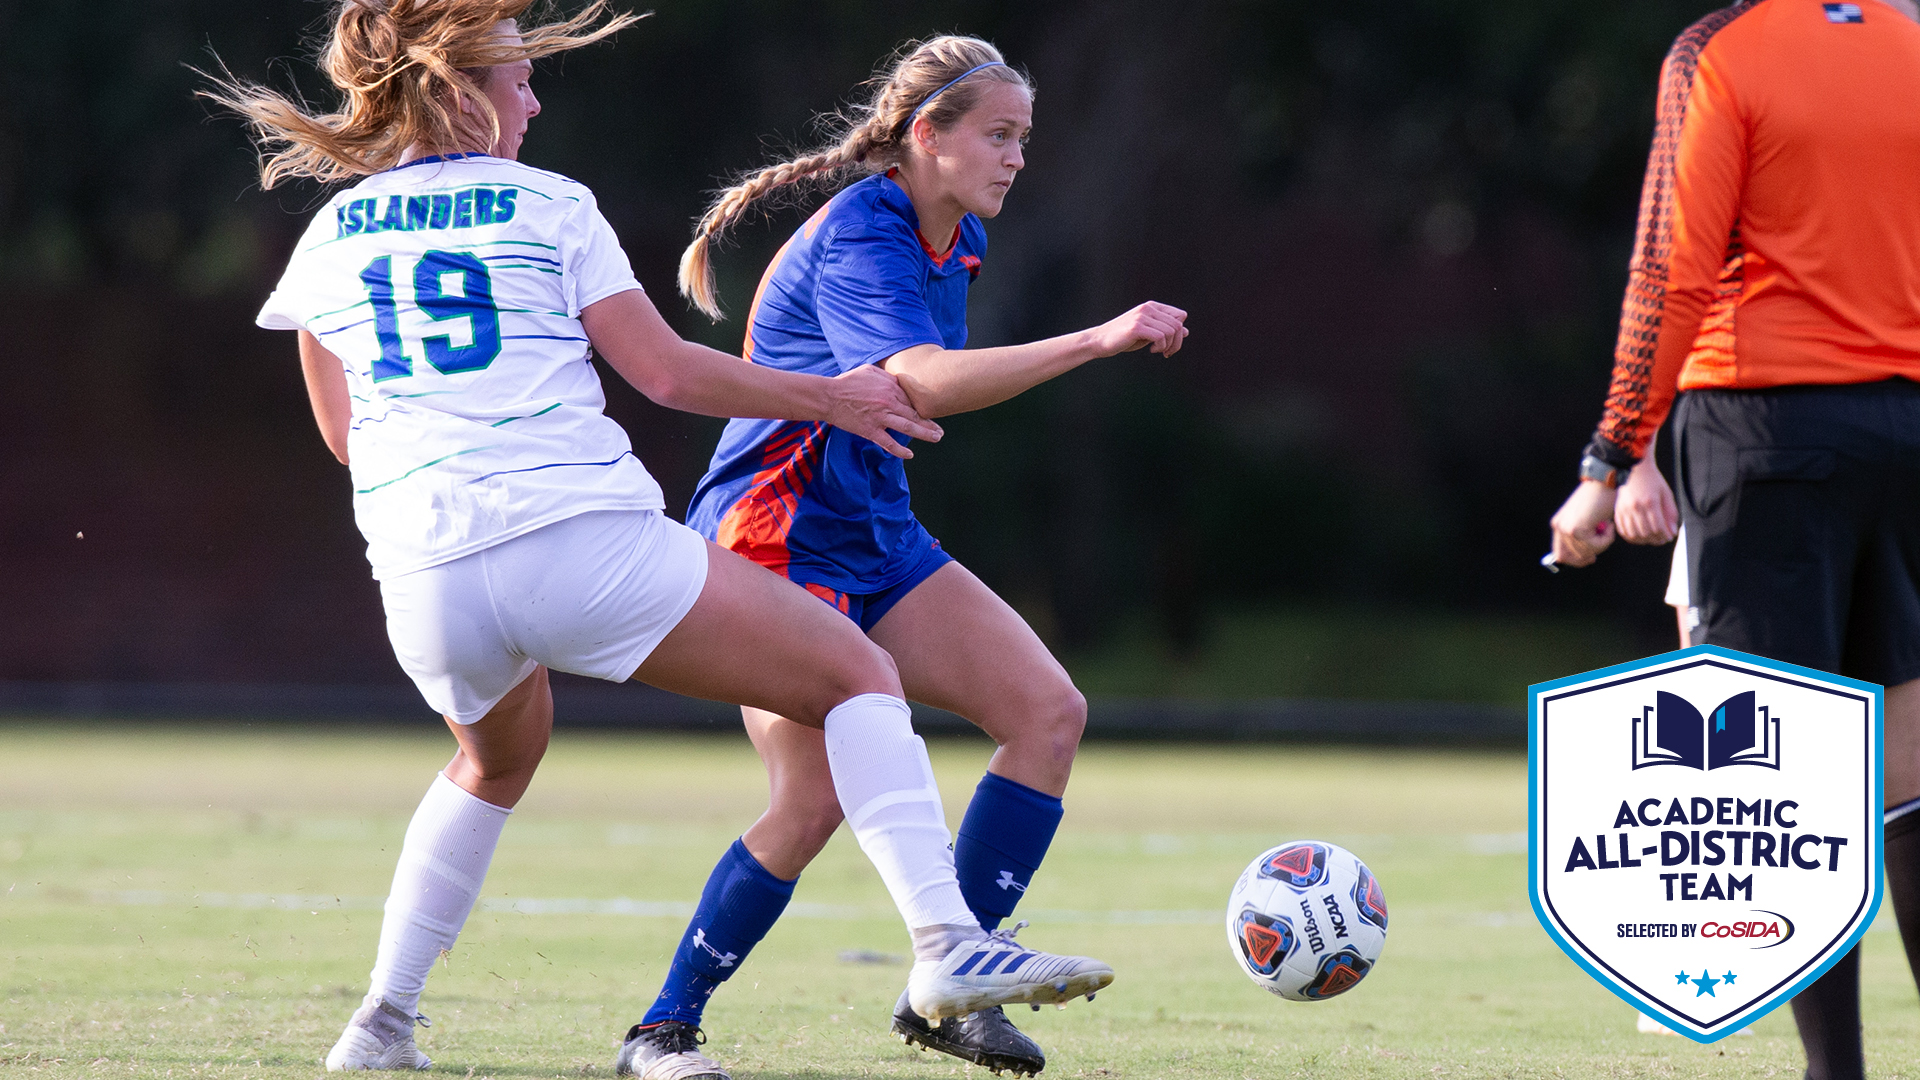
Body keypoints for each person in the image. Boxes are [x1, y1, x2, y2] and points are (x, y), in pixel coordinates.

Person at [204, 3, 1111, 1074]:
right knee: (861, 678)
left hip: (422, 571)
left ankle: (380, 1026)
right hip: (582, 544)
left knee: (491, 764)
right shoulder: (550, 203)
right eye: (518, 80)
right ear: (458, 93)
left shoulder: (326, 237)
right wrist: (829, 398)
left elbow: (345, 437)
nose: (533, 98)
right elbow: (671, 375)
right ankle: (947, 948)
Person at [612, 34, 1188, 1080]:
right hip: (776, 537)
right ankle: (661, 1029)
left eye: (1024, 138)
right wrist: (1092, 342)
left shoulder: (954, 233)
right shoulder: (864, 233)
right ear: (928, 136)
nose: (1018, 157)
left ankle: (953, 999)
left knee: (1046, 713)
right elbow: (917, 380)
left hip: (873, 528)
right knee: (812, 801)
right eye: (998, 136)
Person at [1546, 1, 1920, 1076]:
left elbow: (1672, 265)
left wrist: (1608, 459)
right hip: (1909, 424)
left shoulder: (1722, 49)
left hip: (1766, 429)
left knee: (1786, 779)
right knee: (1908, 767)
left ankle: (1833, 1070)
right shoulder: (1910, 41)